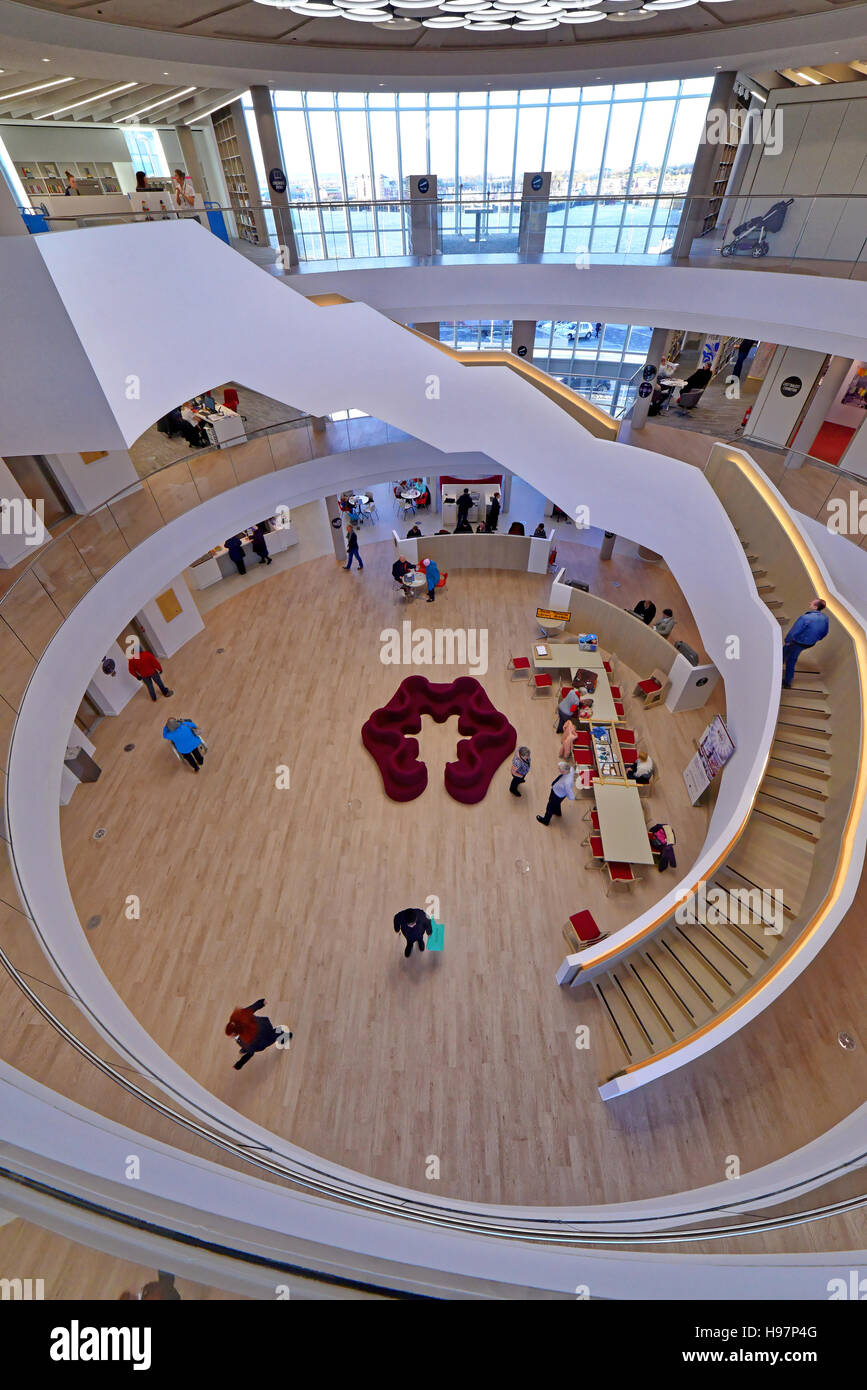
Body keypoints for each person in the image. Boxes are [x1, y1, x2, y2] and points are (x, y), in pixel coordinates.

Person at [225, 998, 289, 1070]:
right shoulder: (240, 1018)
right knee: (269, 1034)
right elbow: (251, 1008)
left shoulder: (248, 1041)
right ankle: (278, 1031)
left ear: (234, 1033)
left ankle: (285, 1034)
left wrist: (240, 1063)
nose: (230, 1037)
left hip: (263, 1035)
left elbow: (251, 1052)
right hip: (262, 1024)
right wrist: (261, 1003)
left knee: (273, 1036)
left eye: (231, 1035)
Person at [782, 599, 829, 688]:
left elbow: (795, 631)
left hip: (798, 642)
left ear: (815, 607)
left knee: (791, 660)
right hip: (810, 643)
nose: (809, 602)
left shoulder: (806, 618)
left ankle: (787, 682)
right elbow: (825, 632)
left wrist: (787, 641)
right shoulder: (825, 618)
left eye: (812, 602)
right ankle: (781, 659)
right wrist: (815, 639)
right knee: (785, 651)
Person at [536, 760, 576, 826]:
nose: (558, 770)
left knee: (550, 807)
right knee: (556, 804)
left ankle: (546, 820)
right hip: (558, 792)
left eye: (560, 769)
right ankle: (557, 812)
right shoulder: (570, 769)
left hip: (557, 795)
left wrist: (570, 796)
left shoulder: (567, 782)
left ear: (564, 771)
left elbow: (570, 794)